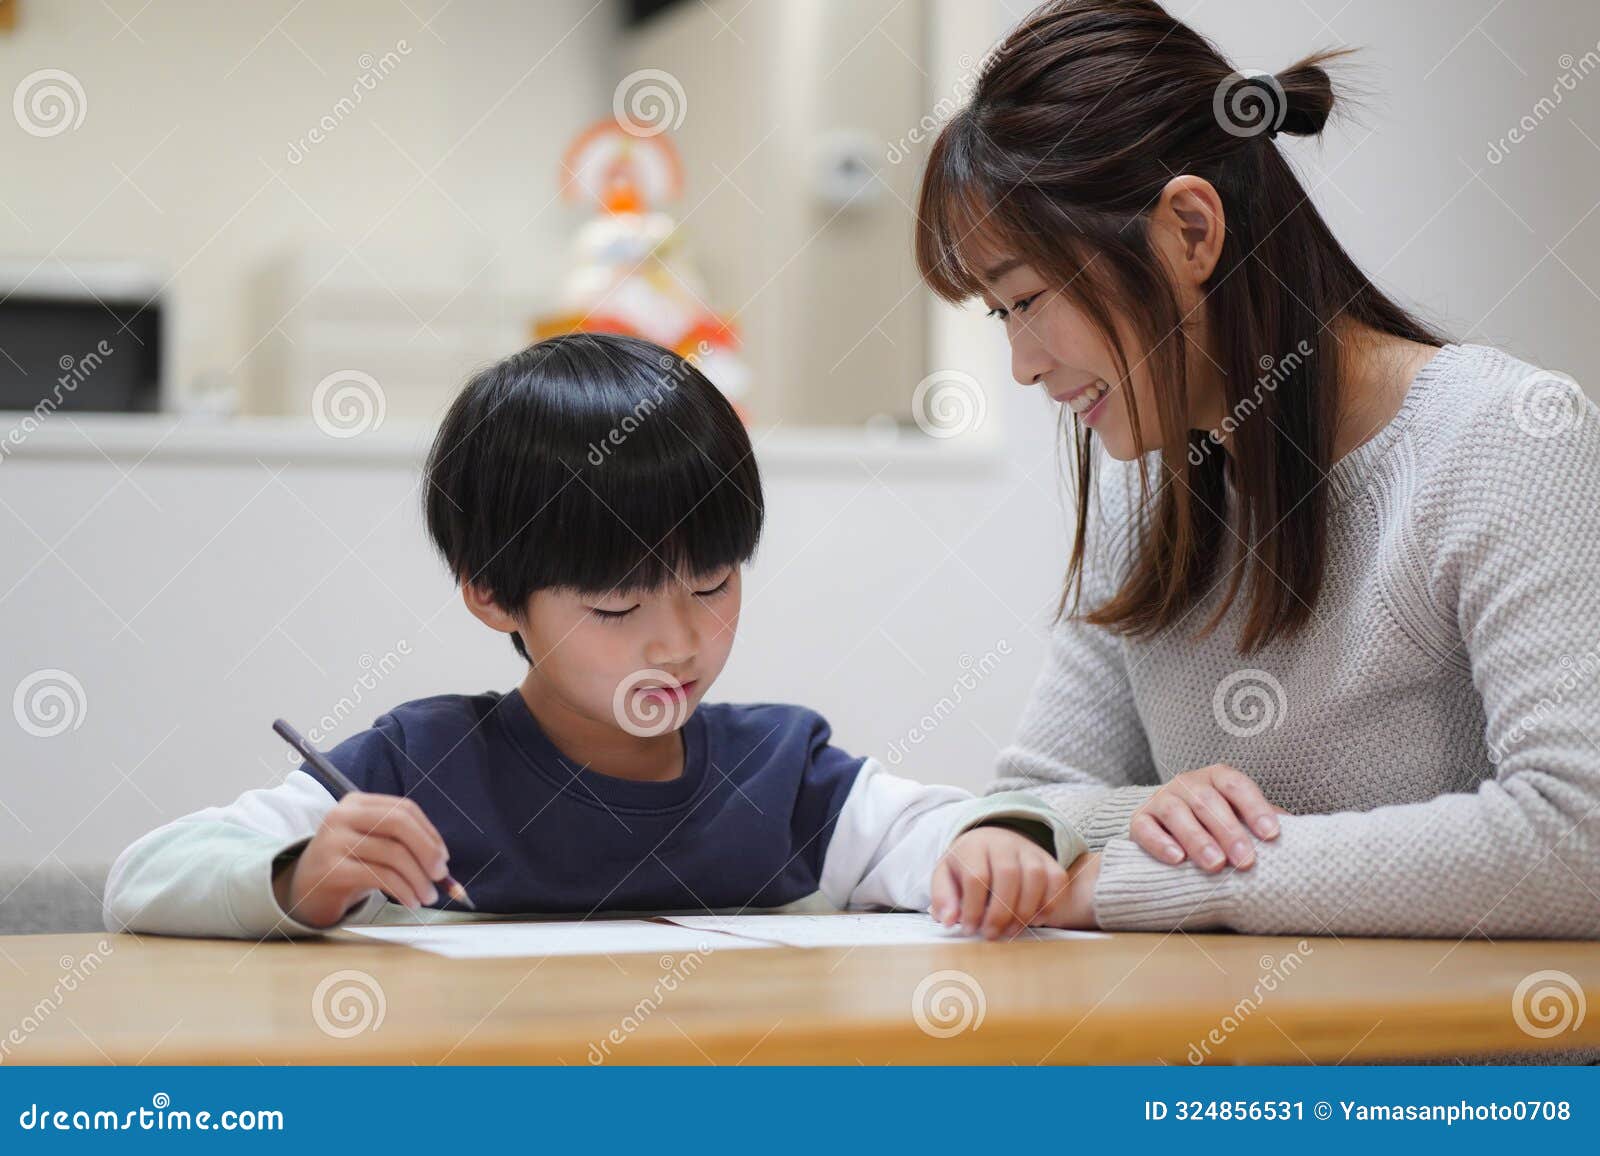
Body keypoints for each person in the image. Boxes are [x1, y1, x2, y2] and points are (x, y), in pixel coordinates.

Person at [920, 0, 1600, 940]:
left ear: (1190, 231)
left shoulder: (1508, 436)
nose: (1024, 365)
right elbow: (1038, 802)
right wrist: (1111, 822)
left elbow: (1580, 841)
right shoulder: (1148, 485)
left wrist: (1168, 877)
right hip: (1217, 1070)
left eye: (1028, 298)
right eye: (1002, 316)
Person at [103, 333, 1083, 939]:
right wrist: (300, 875)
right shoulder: (418, 765)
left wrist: (989, 840)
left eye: (711, 584)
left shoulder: (780, 771)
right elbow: (145, 878)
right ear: (494, 597)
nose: (678, 642)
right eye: (616, 608)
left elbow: (924, 829)